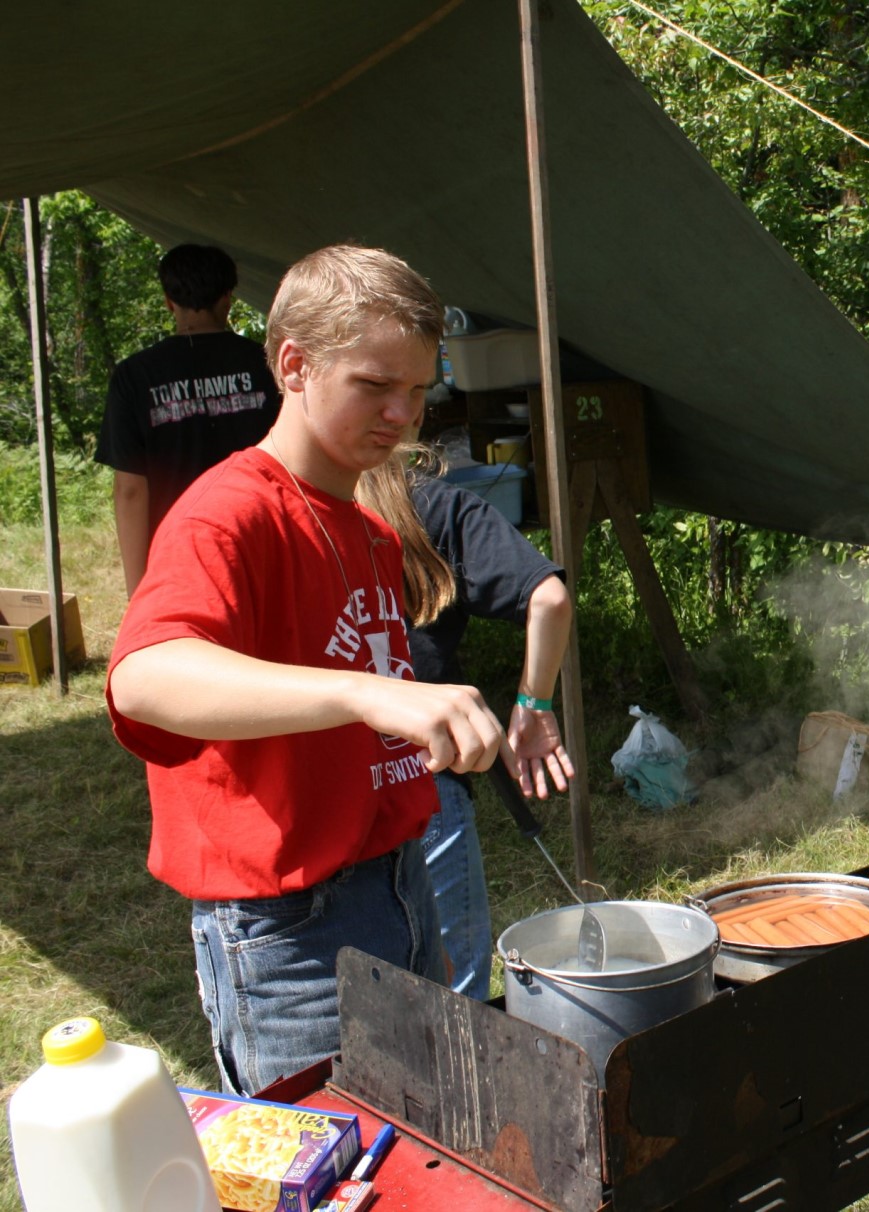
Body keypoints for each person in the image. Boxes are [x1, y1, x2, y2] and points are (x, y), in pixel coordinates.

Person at [106, 245, 506, 1096]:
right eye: (374, 385)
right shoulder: (229, 512)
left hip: (397, 881)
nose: (401, 414)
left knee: (422, 1134)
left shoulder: (369, 528)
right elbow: (145, 673)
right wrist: (366, 691)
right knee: (329, 1156)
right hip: (290, 932)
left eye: (417, 390)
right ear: (294, 365)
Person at [357, 446, 575, 1000]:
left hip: (327, 781)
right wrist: (533, 703)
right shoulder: (434, 503)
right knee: (454, 997)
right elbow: (549, 600)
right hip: (425, 775)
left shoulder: (288, 509)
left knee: (361, 995)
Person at [95, 243, 282, 596]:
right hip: (261, 543)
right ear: (227, 299)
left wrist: (138, 593)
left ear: (169, 301)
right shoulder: (268, 365)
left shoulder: (134, 375)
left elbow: (130, 489)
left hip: (177, 556)